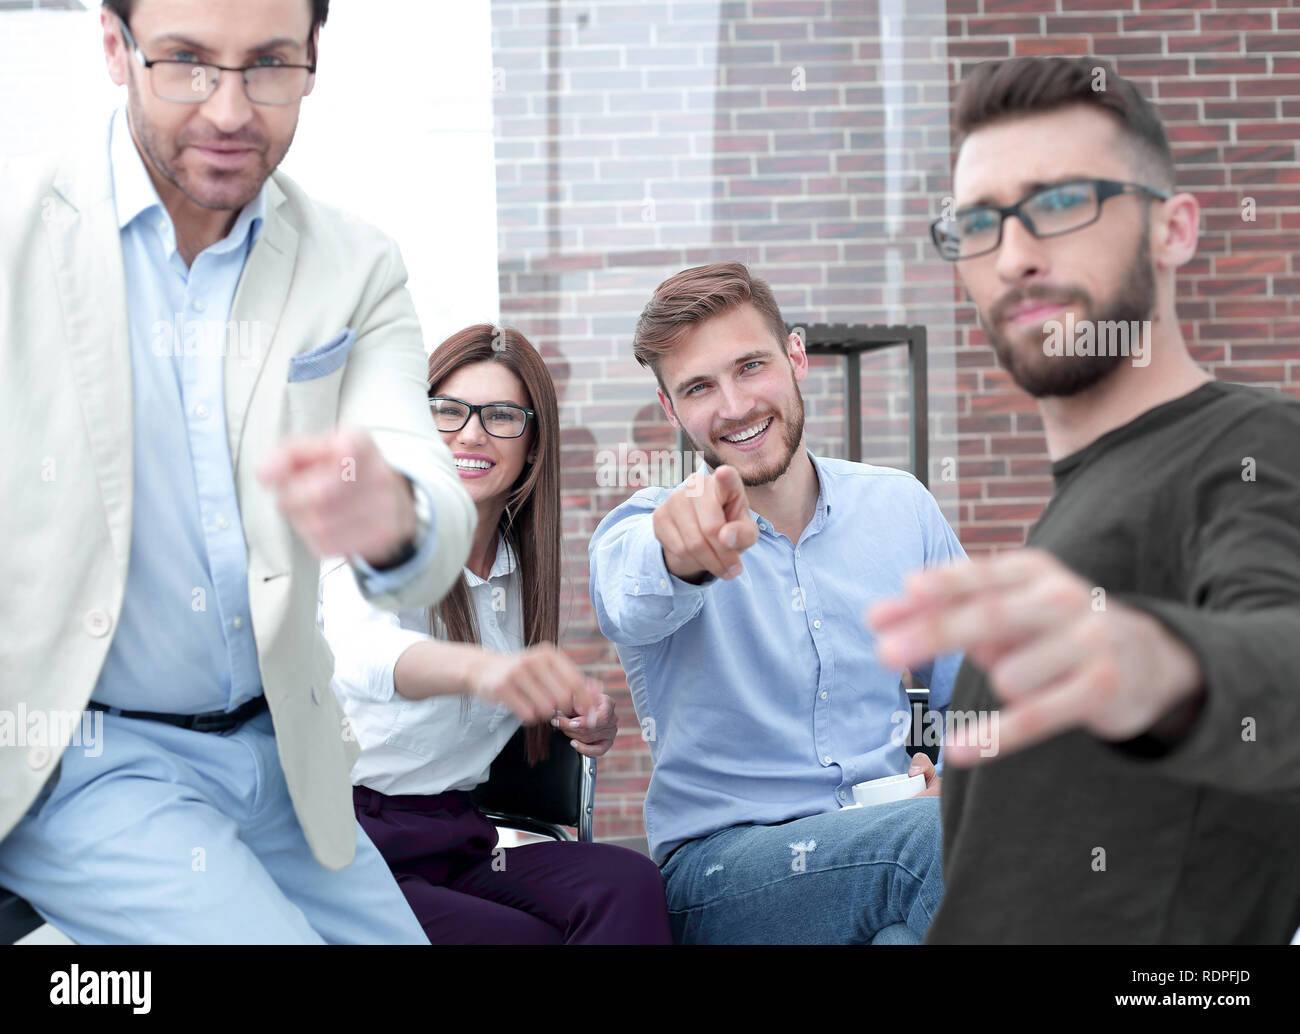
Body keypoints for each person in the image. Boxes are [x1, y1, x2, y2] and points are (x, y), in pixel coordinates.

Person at [0, 0, 478, 943]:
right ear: (114, 47)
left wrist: (396, 519)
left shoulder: (356, 264)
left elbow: (431, 506)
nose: (228, 110)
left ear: (311, 59)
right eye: (185, 62)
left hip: (282, 758)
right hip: (86, 755)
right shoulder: (18, 234)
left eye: (267, 65)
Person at [867, 56, 1300, 943]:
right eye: (980, 223)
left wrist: (1162, 666)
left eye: (1061, 203)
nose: (1016, 256)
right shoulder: (1079, 505)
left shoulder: (1255, 447)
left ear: (1173, 229)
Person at [588, 262, 965, 944]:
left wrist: (958, 778)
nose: (733, 407)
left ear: (796, 357)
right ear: (672, 410)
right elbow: (630, 599)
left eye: (751, 366)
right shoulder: (646, 527)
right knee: (941, 844)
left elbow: (974, 690)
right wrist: (687, 555)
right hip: (723, 874)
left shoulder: (901, 506)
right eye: (699, 387)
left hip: (891, 837)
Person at [320, 324, 673, 944]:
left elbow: (516, 711)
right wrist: (485, 670)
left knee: (628, 883)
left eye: (501, 415)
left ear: (532, 445)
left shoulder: (518, 572)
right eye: (448, 411)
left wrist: (583, 720)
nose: (471, 433)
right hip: (346, 846)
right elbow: (361, 656)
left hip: (457, 840)